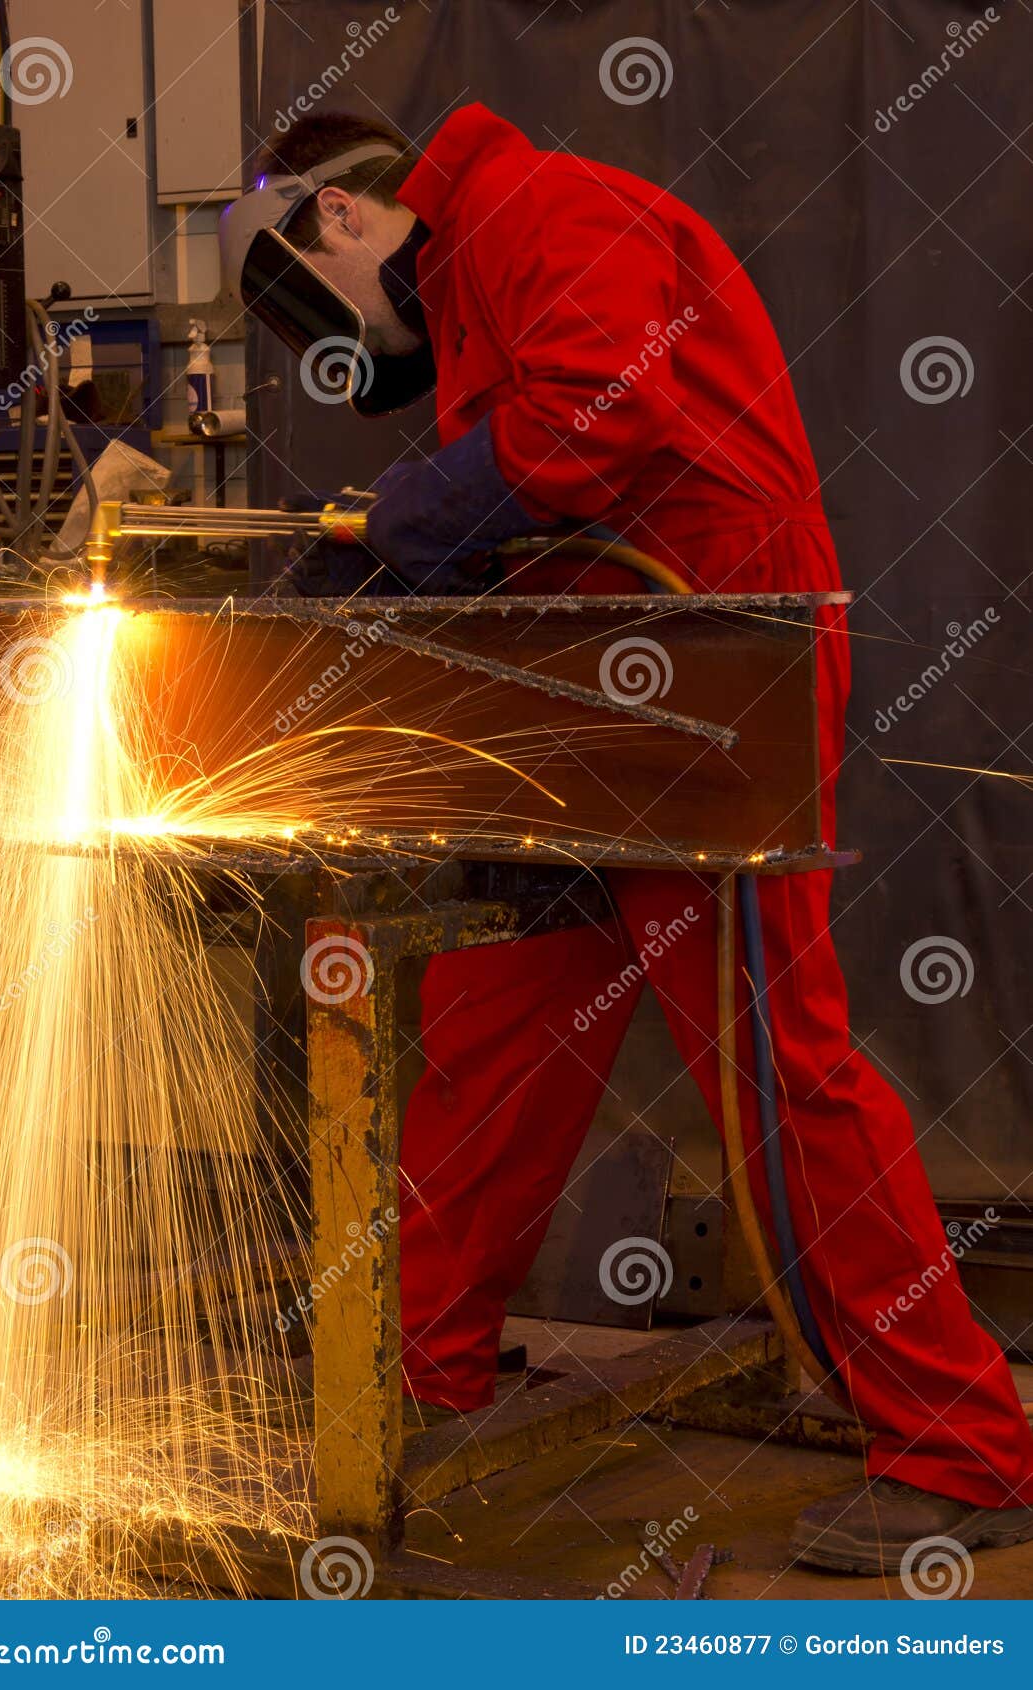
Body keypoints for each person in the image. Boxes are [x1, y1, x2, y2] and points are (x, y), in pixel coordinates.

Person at [221, 101, 1033, 1573]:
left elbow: (602, 417)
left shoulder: (541, 214)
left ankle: (964, 1443)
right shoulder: (479, 261)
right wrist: (404, 549)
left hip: (711, 673)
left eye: (320, 301)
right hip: (603, 677)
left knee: (777, 1067)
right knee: (503, 1015)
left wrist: (422, 508)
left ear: (338, 222)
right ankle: (421, 1367)